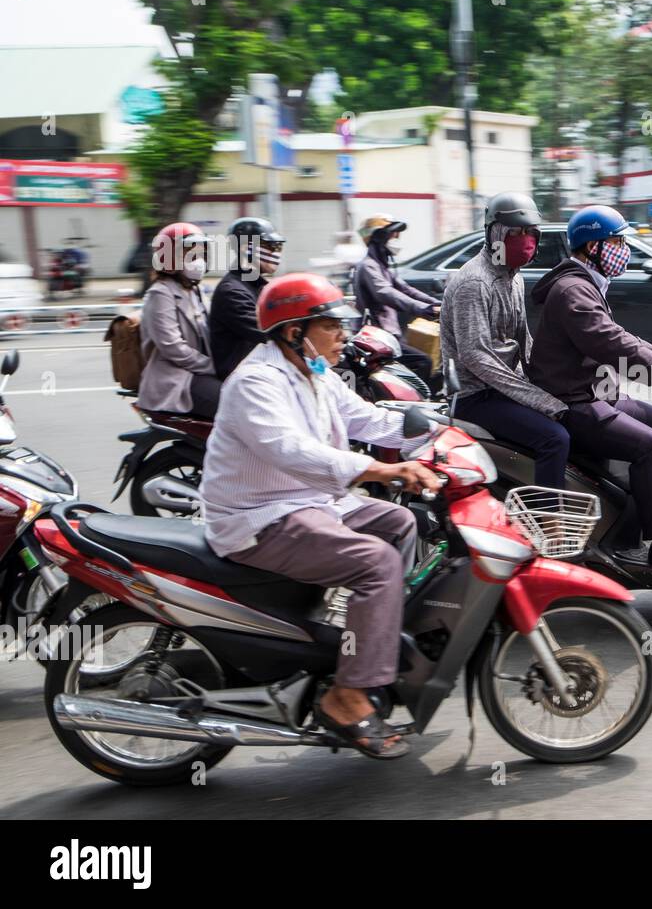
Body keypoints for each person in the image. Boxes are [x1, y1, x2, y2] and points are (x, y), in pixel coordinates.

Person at [201, 273, 441, 760]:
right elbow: (293, 451)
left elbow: (366, 417)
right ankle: (346, 695)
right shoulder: (257, 381)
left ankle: (365, 645)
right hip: (259, 516)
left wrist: (439, 426)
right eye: (332, 325)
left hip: (307, 502)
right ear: (294, 331)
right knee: (375, 563)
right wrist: (382, 469)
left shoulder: (314, 371)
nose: (343, 335)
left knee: (402, 524)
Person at [527, 205, 652, 589]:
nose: (623, 249)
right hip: (570, 401)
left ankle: (634, 515)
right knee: (646, 443)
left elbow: (616, 332)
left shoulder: (584, 281)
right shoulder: (572, 290)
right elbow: (609, 342)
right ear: (592, 246)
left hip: (592, 392)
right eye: (617, 241)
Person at [439, 192, 571, 489]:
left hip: (503, 388)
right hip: (474, 395)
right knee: (554, 438)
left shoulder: (514, 276)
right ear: (495, 233)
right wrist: (537, 397)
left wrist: (554, 377)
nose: (525, 240)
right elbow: (476, 356)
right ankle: (549, 523)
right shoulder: (475, 282)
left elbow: (523, 339)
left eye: (530, 233)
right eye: (515, 232)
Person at [138, 222, 222, 419]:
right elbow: (173, 347)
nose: (198, 260)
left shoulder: (197, 291)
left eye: (201, 253)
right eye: (191, 253)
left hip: (198, 372)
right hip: (175, 379)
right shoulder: (161, 294)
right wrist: (213, 367)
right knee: (231, 401)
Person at [352, 214, 440, 385]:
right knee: (423, 362)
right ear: (378, 237)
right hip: (378, 339)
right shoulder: (368, 266)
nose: (397, 237)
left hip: (389, 336)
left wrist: (437, 304)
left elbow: (406, 290)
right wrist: (422, 309)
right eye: (392, 233)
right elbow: (384, 292)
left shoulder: (381, 266)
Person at [210, 216, 282, 380]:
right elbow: (270, 333)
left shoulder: (257, 285)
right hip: (240, 381)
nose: (275, 252)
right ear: (244, 248)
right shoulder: (232, 292)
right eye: (269, 246)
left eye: (278, 246)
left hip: (263, 372)